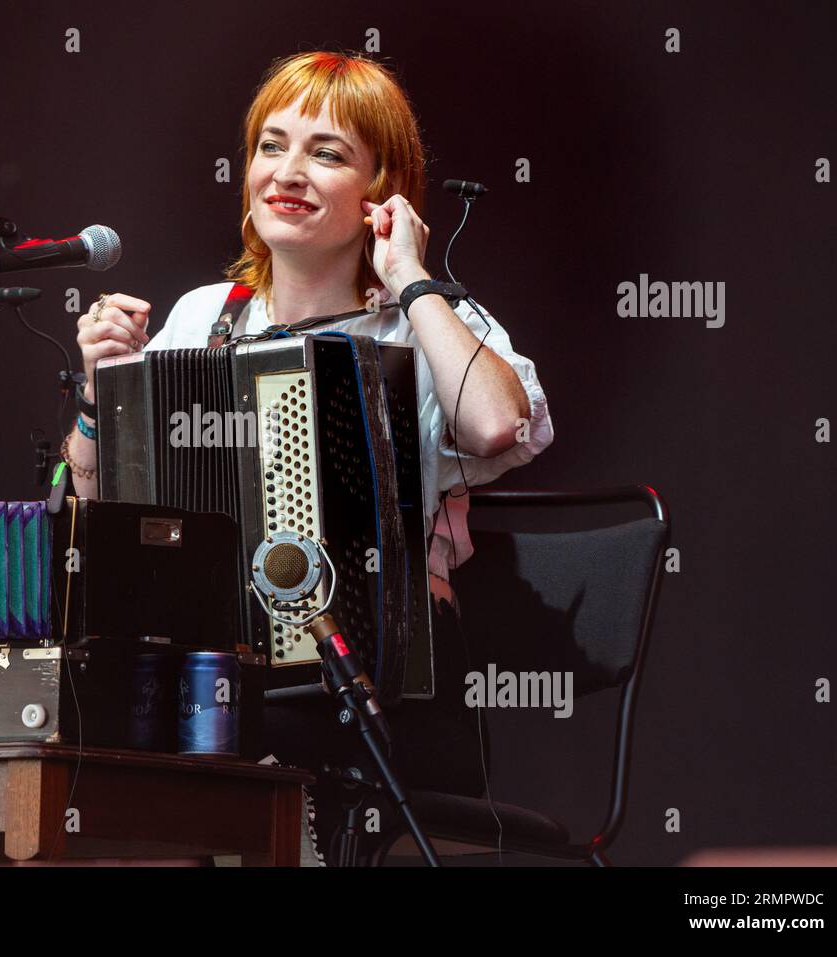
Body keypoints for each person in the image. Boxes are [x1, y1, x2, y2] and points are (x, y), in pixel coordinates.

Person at [60, 51, 554, 862]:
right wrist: (95, 398)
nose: (287, 172)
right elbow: (94, 517)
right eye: (271, 145)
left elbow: (500, 425)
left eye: (326, 153)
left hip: (378, 695)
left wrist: (411, 278)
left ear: (381, 188)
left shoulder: (423, 322)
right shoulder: (204, 317)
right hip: (216, 681)